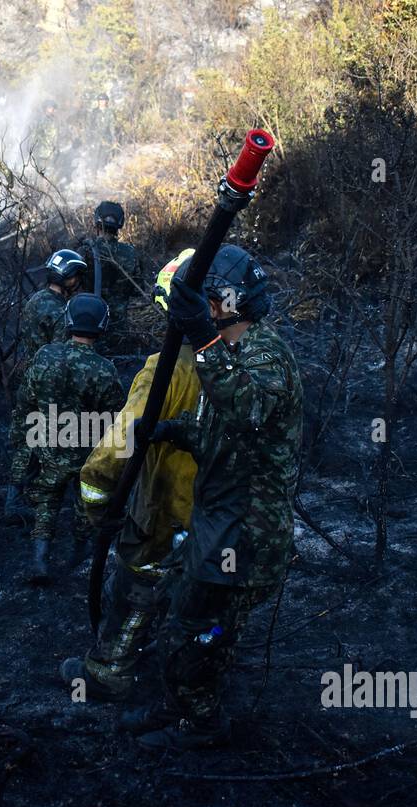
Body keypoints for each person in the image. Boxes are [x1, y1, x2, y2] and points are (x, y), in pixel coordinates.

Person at [120, 244, 303, 751]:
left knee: (200, 635)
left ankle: (200, 724)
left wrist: (201, 337)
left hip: (246, 536)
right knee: (181, 616)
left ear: (226, 301)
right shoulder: (231, 355)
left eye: (207, 301)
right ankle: (179, 703)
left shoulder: (264, 356)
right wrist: (167, 431)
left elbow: (247, 410)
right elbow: (218, 431)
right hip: (218, 522)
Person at [61, 251, 202, 700]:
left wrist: (98, 506)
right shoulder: (252, 364)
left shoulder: (167, 369)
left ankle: (110, 670)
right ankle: (192, 671)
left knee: (139, 577)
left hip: (168, 507)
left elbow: (114, 451)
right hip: (221, 514)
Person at [9, 293, 126, 583]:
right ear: (101, 326)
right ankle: (79, 552)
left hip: (48, 444)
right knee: (84, 503)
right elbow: (114, 418)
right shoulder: (104, 369)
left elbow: (26, 399)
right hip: (86, 449)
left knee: (48, 501)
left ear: (69, 321)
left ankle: (39, 560)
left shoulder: (45, 355)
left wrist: (22, 435)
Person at [6, 249, 89, 519]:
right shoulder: (60, 311)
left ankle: (16, 498)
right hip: (48, 383)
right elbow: (60, 355)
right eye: (75, 275)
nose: (78, 280)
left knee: (26, 437)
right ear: (66, 277)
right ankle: (27, 502)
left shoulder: (36, 299)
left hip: (30, 376)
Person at [78, 201, 143, 330]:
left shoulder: (85, 251)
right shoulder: (131, 252)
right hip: (119, 326)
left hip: (88, 324)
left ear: (97, 223)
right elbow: (137, 290)